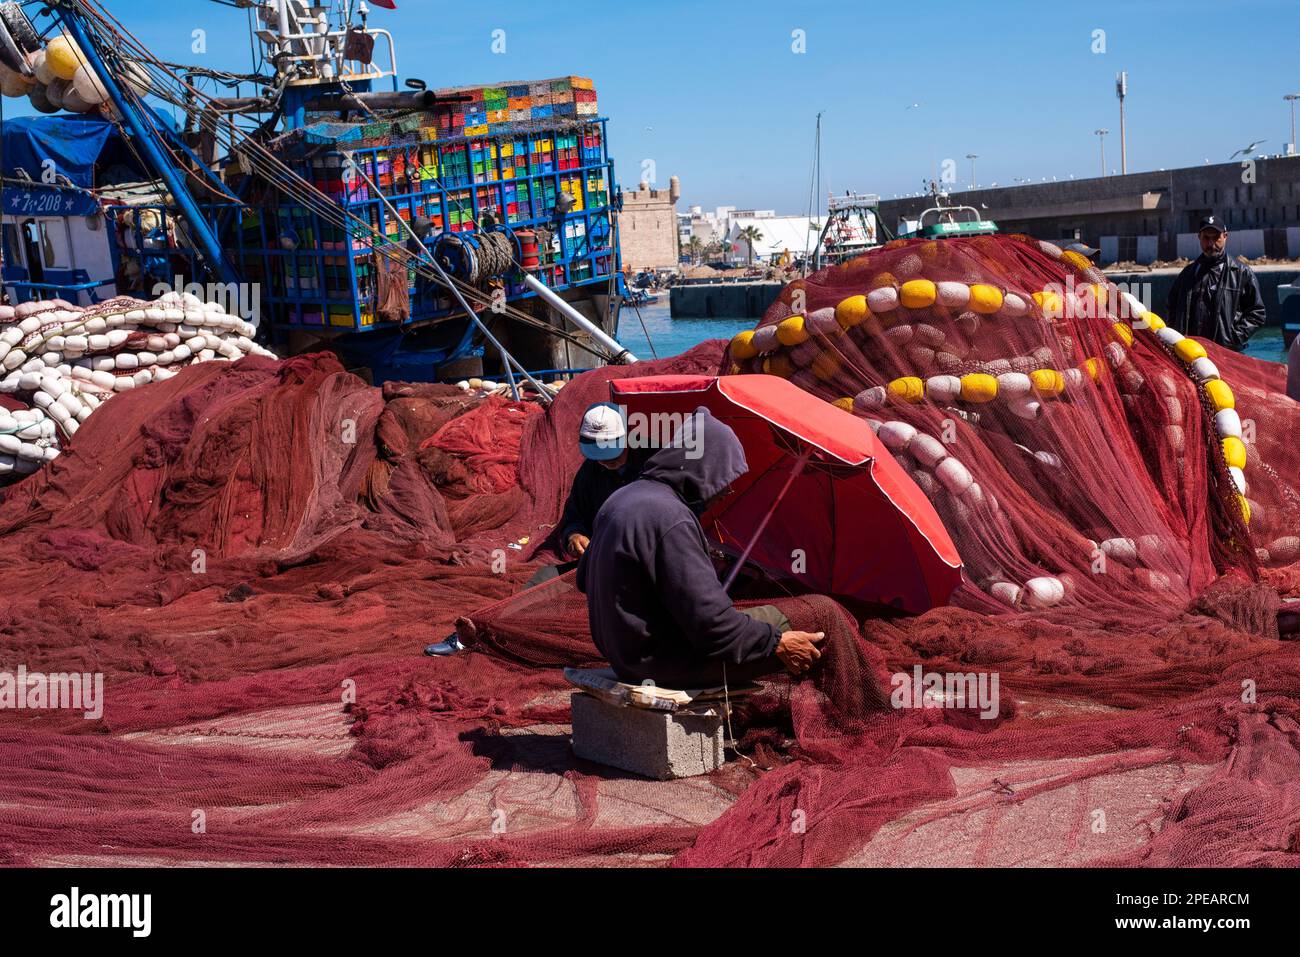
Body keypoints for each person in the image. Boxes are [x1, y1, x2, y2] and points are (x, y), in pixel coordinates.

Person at [575, 407, 824, 688]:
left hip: (626, 657)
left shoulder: (623, 497)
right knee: (821, 614)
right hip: (664, 663)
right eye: (725, 480)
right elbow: (714, 629)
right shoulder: (671, 517)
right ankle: (855, 721)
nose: (727, 491)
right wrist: (777, 642)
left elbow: (583, 579)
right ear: (705, 469)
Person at [423, 402, 643, 656]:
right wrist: (574, 535)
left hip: (643, 568)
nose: (606, 462)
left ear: (626, 437)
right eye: (599, 456)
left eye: (612, 454)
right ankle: (479, 634)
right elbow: (574, 516)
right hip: (600, 563)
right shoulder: (591, 470)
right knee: (544, 582)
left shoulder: (655, 459)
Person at [1166, 215, 1266, 351]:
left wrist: (1233, 338)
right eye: (1206, 238)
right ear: (1199, 237)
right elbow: (1171, 306)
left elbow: (1257, 312)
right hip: (1189, 354)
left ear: (1225, 236)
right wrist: (1175, 337)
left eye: (1216, 238)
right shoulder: (1188, 274)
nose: (1211, 243)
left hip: (1225, 355)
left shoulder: (1242, 273)